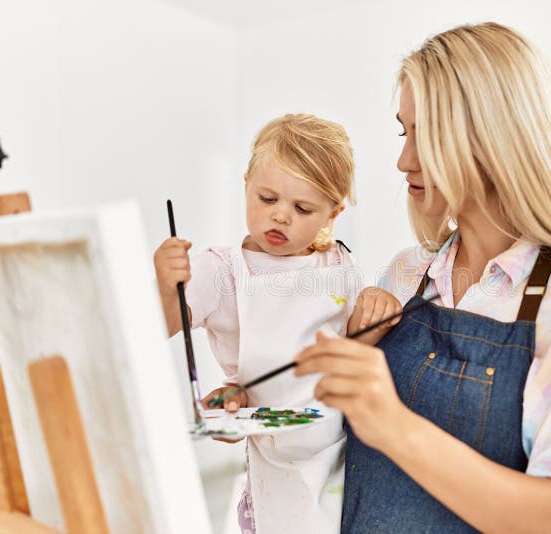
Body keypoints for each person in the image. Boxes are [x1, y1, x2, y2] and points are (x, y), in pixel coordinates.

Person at [294, 22, 551, 533]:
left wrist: (394, 424)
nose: (403, 160)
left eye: (426, 134)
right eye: (405, 131)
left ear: (492, 137)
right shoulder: (406, 273)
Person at [153, 114, 396, 533]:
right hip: (273, 463)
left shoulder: (339, 264)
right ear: (246, 183)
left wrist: (376, 309)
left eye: (303, 208)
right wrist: (163, 283)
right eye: (267, 199)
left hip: (342, 457)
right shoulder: (221, 270)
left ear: (332, 213)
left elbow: (354, 348)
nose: (281, 216)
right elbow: (158, 325)